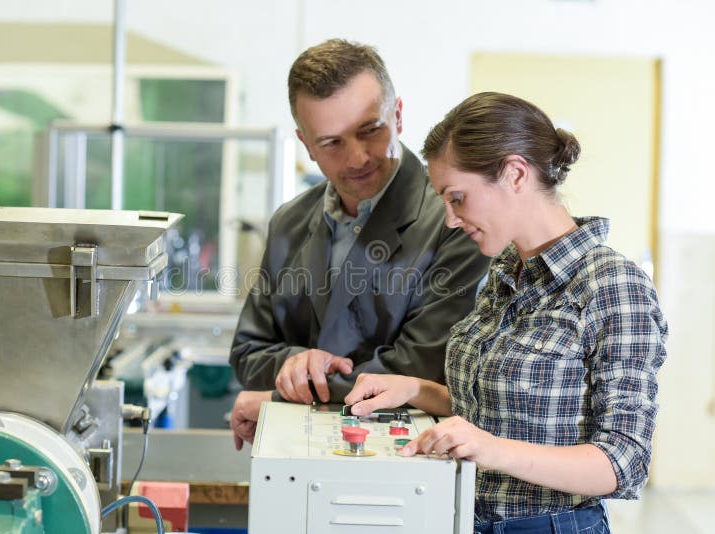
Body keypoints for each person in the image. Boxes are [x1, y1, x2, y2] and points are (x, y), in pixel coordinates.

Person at [344, 92, 668, 533]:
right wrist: (416, 389)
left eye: (457, 197)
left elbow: (624, 462)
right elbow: (497, 411)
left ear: (515, 173)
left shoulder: (612, 286)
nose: (451, 219)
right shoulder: (504, 271)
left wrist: (490, 449)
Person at [228, 39, 489, 449]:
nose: (357, 158)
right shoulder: (289, 223)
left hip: (404, 465)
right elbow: (248, 353)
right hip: (296, 459)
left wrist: (286, 391)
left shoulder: (455, 220)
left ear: (398, 115)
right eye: (331, 143)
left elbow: (420, 366)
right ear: (305, 143)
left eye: (370, 131)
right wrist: (295, 365)